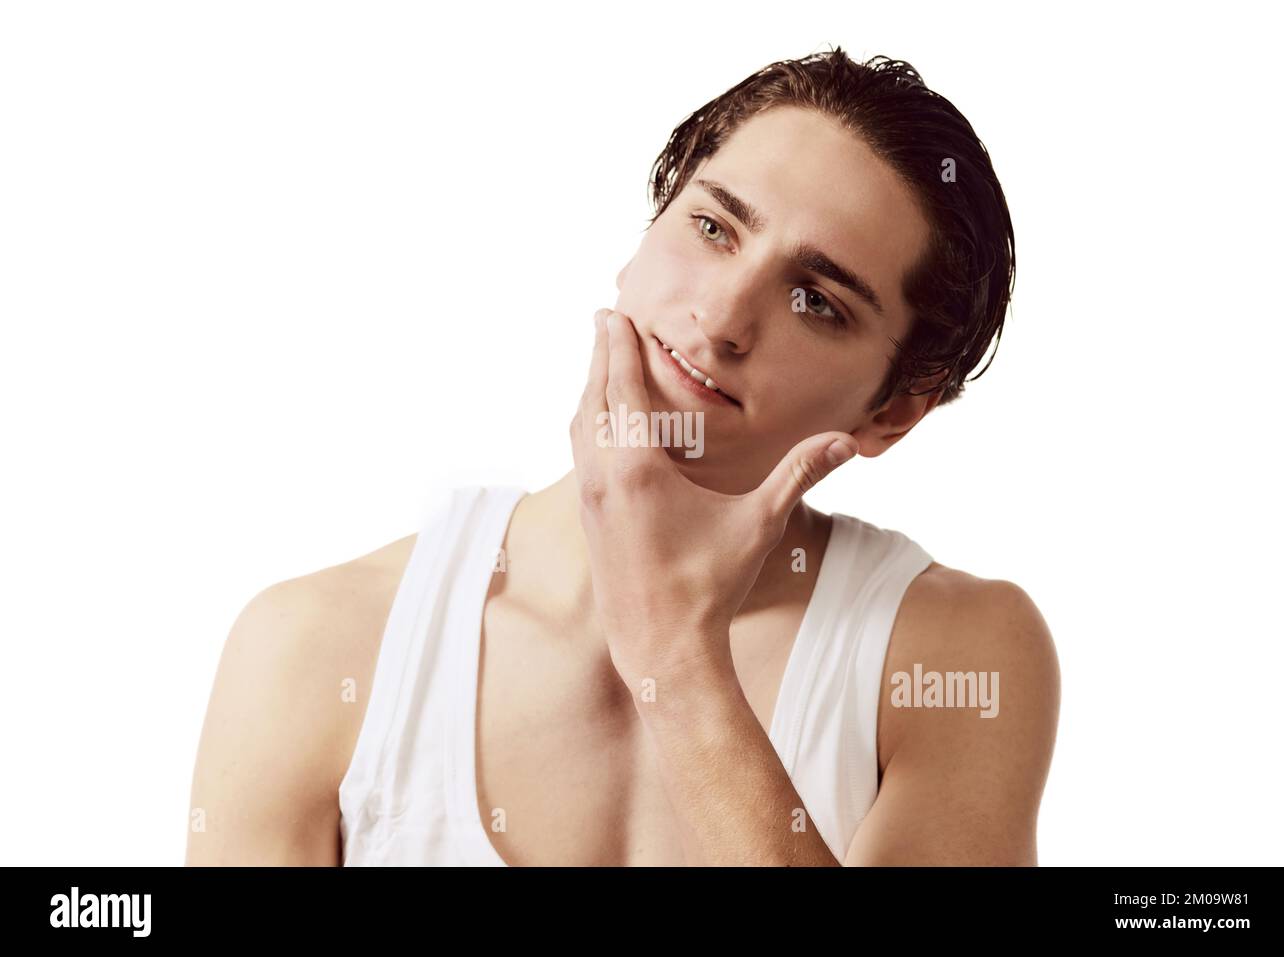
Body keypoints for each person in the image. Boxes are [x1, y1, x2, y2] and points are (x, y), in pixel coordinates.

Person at [185, 47, 1060, 866]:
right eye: (714, 228)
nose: (721, 319)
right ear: (644, 237)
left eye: (815, 300)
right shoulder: (317, 646)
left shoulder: (947, 652)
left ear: (894, 410)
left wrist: (676, 659)